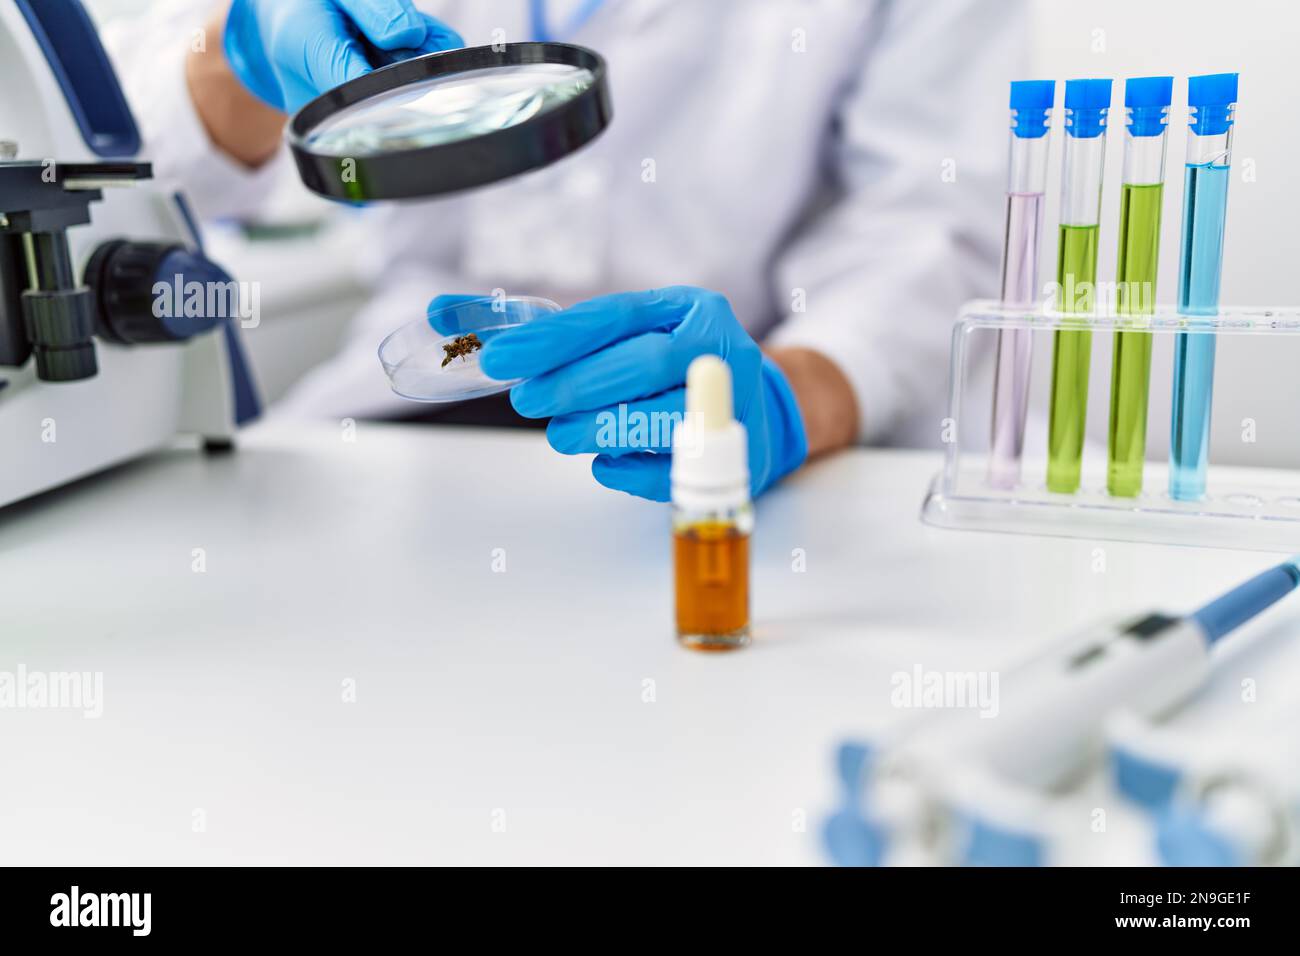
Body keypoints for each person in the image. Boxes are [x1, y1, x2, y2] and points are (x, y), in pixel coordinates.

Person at [110, 0, 1024, 501]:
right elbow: (116, 153)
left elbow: (924, 228)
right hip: (409, 409)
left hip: (723, 411)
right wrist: (238, 54)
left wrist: (799, 394)